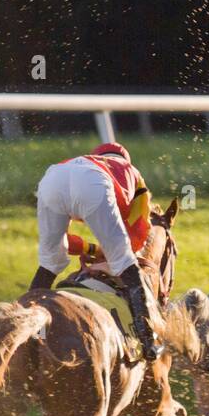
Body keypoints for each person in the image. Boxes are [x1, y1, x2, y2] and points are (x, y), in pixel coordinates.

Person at [29, 142, 162, 360]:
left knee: (50, 263)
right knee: (124, 261)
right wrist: (111, 254)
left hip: (51, 178)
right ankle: (148, 340)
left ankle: (23, 328)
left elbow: (66, 242)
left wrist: (94, 249)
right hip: (92, 183)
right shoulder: (132, 173)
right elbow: (138, 233)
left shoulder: (80, 162)